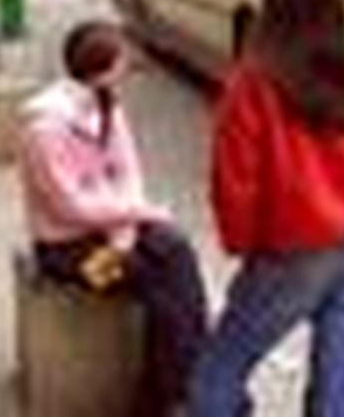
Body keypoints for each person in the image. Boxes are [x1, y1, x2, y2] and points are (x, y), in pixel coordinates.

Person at [190, 0, 344, 417]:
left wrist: (244, 243)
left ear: (274, 6)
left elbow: (236, 178)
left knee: (220, 367)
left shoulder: (255, 80)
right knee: (337, 380)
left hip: (292, 249)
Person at [18, 20, 208, 417]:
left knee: (178, 251)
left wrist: (126, 227)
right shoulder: (45, 129)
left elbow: (129, 172)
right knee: (157, 290)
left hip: (115, 227)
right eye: (122, 59)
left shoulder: (109, 107)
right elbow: (69, 207)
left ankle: (190, 387)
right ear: (102, 66)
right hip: (66, 250)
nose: (128, 66)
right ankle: (168, 400)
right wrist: (135, 217)